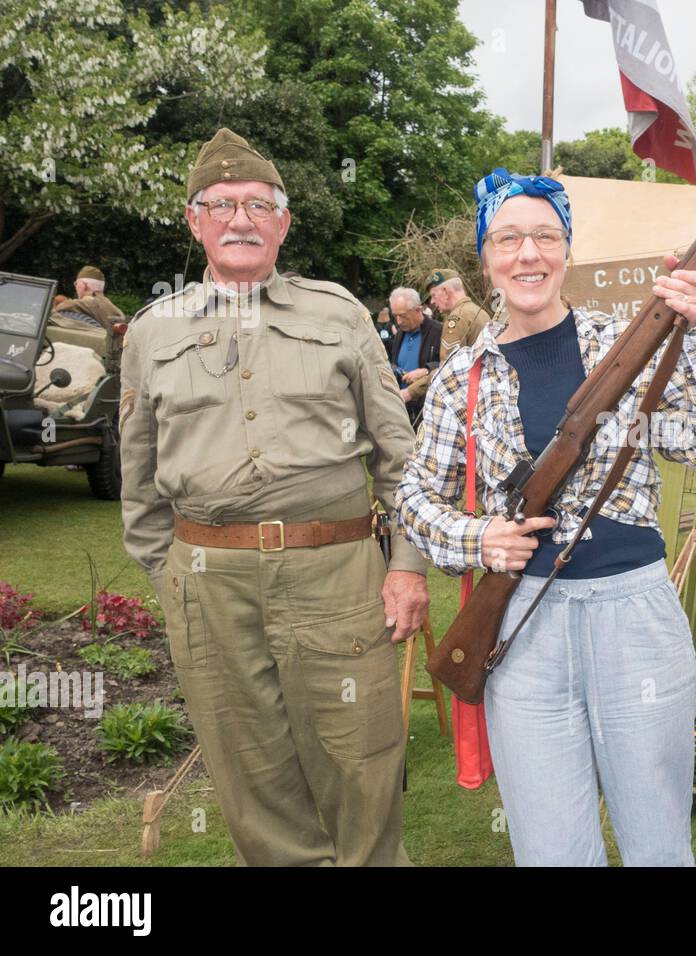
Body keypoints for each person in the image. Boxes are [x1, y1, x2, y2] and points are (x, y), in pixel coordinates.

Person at [396, 168, 696, 866]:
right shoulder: (461, 375)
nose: (528, 254)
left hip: (635, 618)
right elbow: (414, 499)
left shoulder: (629, 347)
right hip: (524, 626)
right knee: (553, 851)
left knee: (658, 847)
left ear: (566, 250)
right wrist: (480, 538)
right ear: (486, 258)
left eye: (545, 237)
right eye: (508, 239)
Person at [118, 127, 427, 866]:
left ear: (283, 223)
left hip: (336, 573)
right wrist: (173, 579)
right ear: (195, 221)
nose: (240, 219)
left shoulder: (340, 315)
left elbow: (399, 458)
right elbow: (137, 480)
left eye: (259, 204)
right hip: (208, 582)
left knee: (362, 758)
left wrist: (408, 564)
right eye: (220, 205)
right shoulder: (150, 331)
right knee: (249, 769)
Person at [386, 286, 440, 417]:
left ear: (418, 310)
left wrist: (426, 370)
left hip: (426, 408)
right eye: (395, 316)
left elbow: (451, 365)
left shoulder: (438, 331)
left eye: (403, 316)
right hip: (400, 405)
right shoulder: (399, 334)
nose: (399, 321)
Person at [425, 269, 491, 363]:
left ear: (445, 291)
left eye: (433, 295)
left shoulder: (455, 319)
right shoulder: (480, 312)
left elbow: (449, 369)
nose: (432, 301)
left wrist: (424, 377)